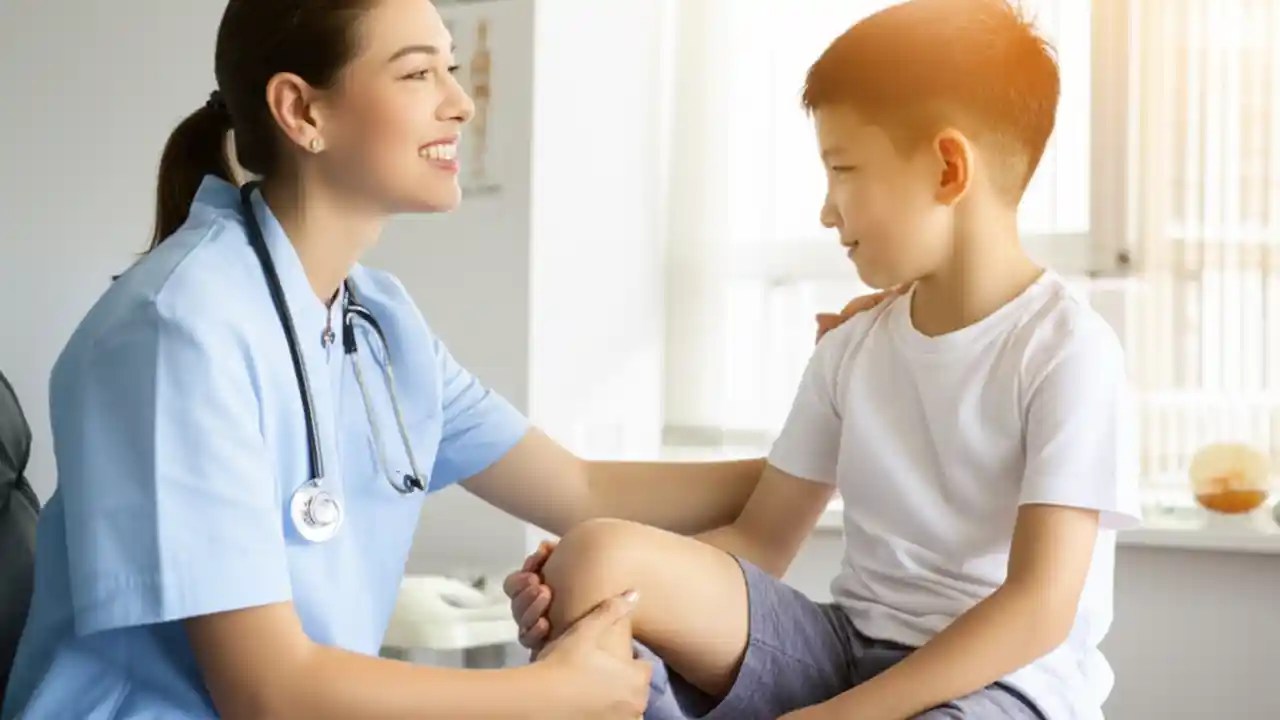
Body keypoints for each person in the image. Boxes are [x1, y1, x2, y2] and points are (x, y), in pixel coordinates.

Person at [0, 1, 865, 718]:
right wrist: (546, 693)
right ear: (303, 111)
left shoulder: (381, 323)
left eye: (450, 69)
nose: (460, 103)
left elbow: (584, 490)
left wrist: (844, 431)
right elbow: (266, 688)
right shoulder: (173, 329)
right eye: (418, 74)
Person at [504, 1, 1142, 718]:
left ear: (948, 167)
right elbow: (759, 541)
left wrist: (841, 715)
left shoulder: (1067, 352)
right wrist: (578, 584)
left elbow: (1038, 609)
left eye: (844, 169)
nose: (827, 210)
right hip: (845, 649)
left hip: (1002, 685)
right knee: (597, 559)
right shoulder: (853, 348)